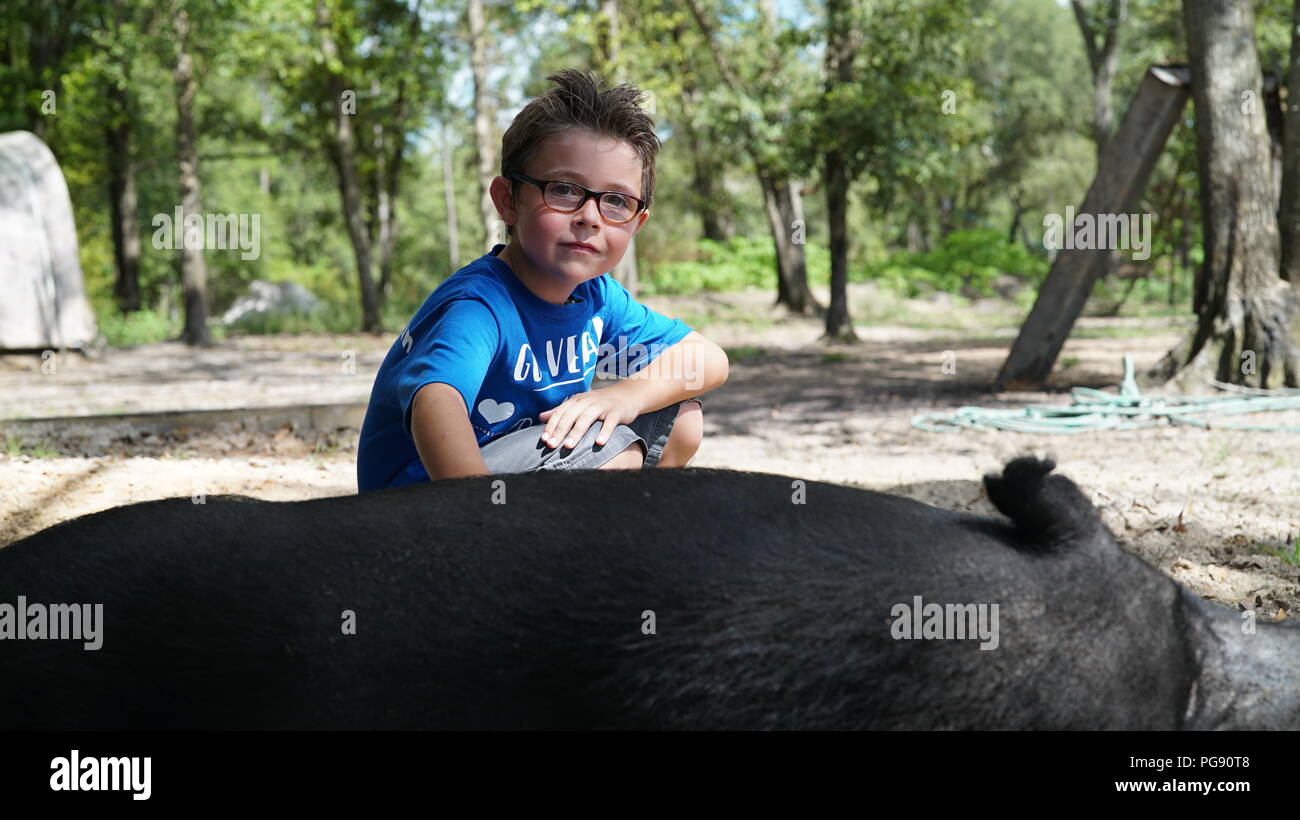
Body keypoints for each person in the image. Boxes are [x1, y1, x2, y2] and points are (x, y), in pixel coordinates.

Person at [356, 69, 729, 492]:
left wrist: (624, 396)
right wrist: (477, 515)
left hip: (518, 473)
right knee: (612, 451)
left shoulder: (596, 297)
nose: (590, 217)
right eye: (565, 190)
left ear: (636, 223)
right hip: (425, 500)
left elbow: (707, 359)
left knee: (681, 419)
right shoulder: (480, 306)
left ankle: (627, 527)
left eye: (616, 200)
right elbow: (435, 401)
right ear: (507, 201)